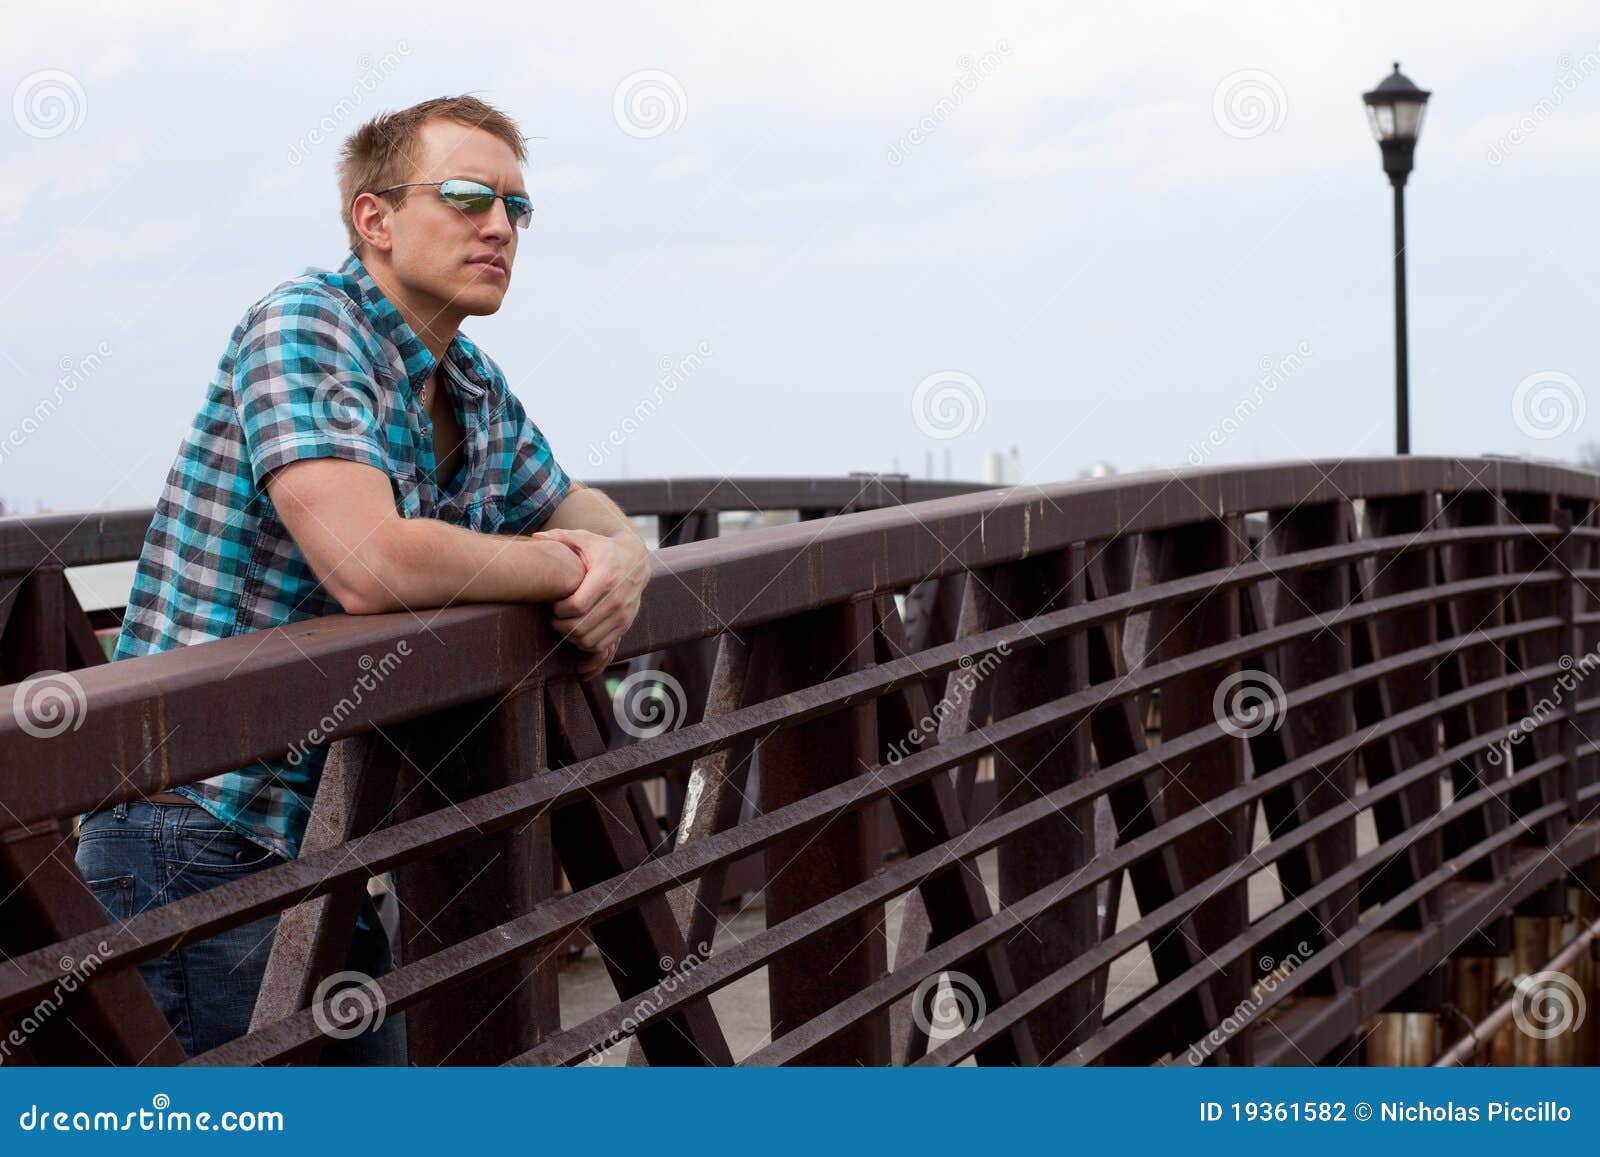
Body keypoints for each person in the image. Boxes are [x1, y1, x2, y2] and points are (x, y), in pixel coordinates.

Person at [74, 95, 649, 1063]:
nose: (499, 227)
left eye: (518, 207)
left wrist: (624, 554)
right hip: (196, 828)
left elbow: (571, 502)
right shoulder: (303, 325)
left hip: (328, 835)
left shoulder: (463, 376)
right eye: (468, 196)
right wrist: (562, 569)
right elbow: (368, 563)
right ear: (374, 219)